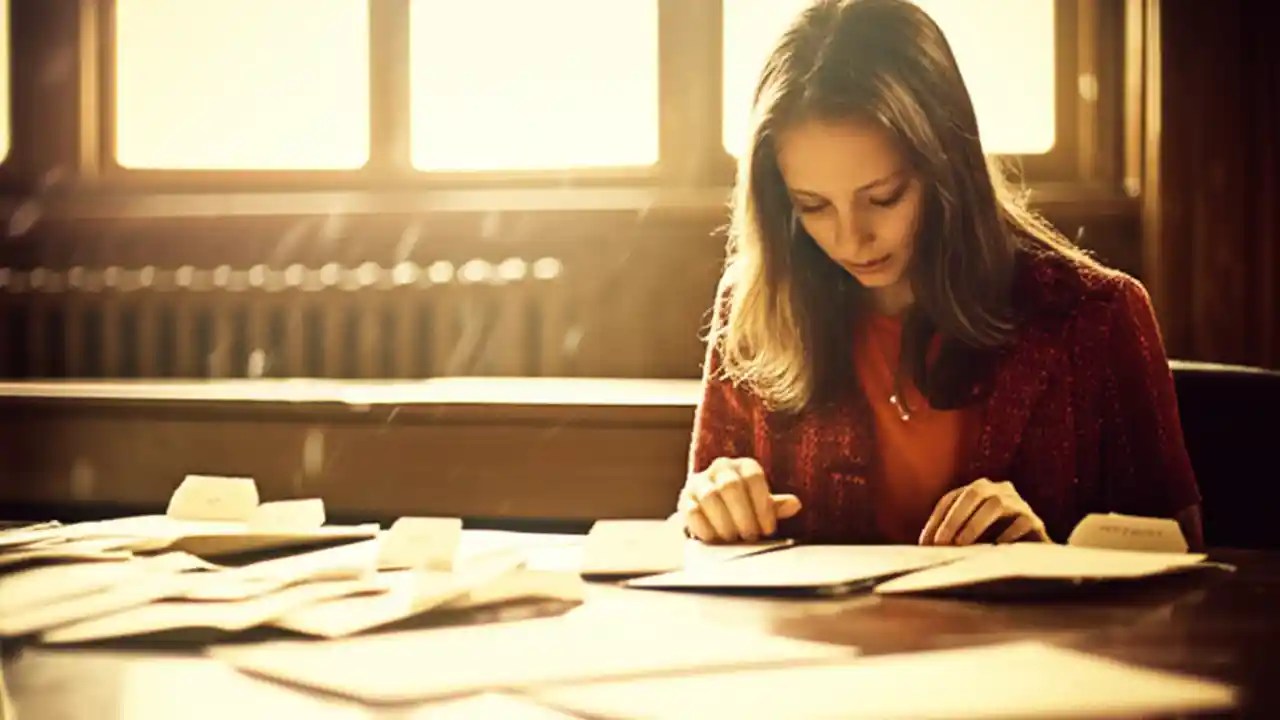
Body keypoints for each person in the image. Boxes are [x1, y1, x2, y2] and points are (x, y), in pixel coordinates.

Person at [675, 0, 1204, 549]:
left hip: (1033, 638)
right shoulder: (757, 311)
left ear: (948, 167)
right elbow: (693, 546)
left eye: (884, 198)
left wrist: (1050, 564)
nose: (851, 238)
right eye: (812, 206)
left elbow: (1185, 572)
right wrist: (706, 511)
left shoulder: (1096, 318)